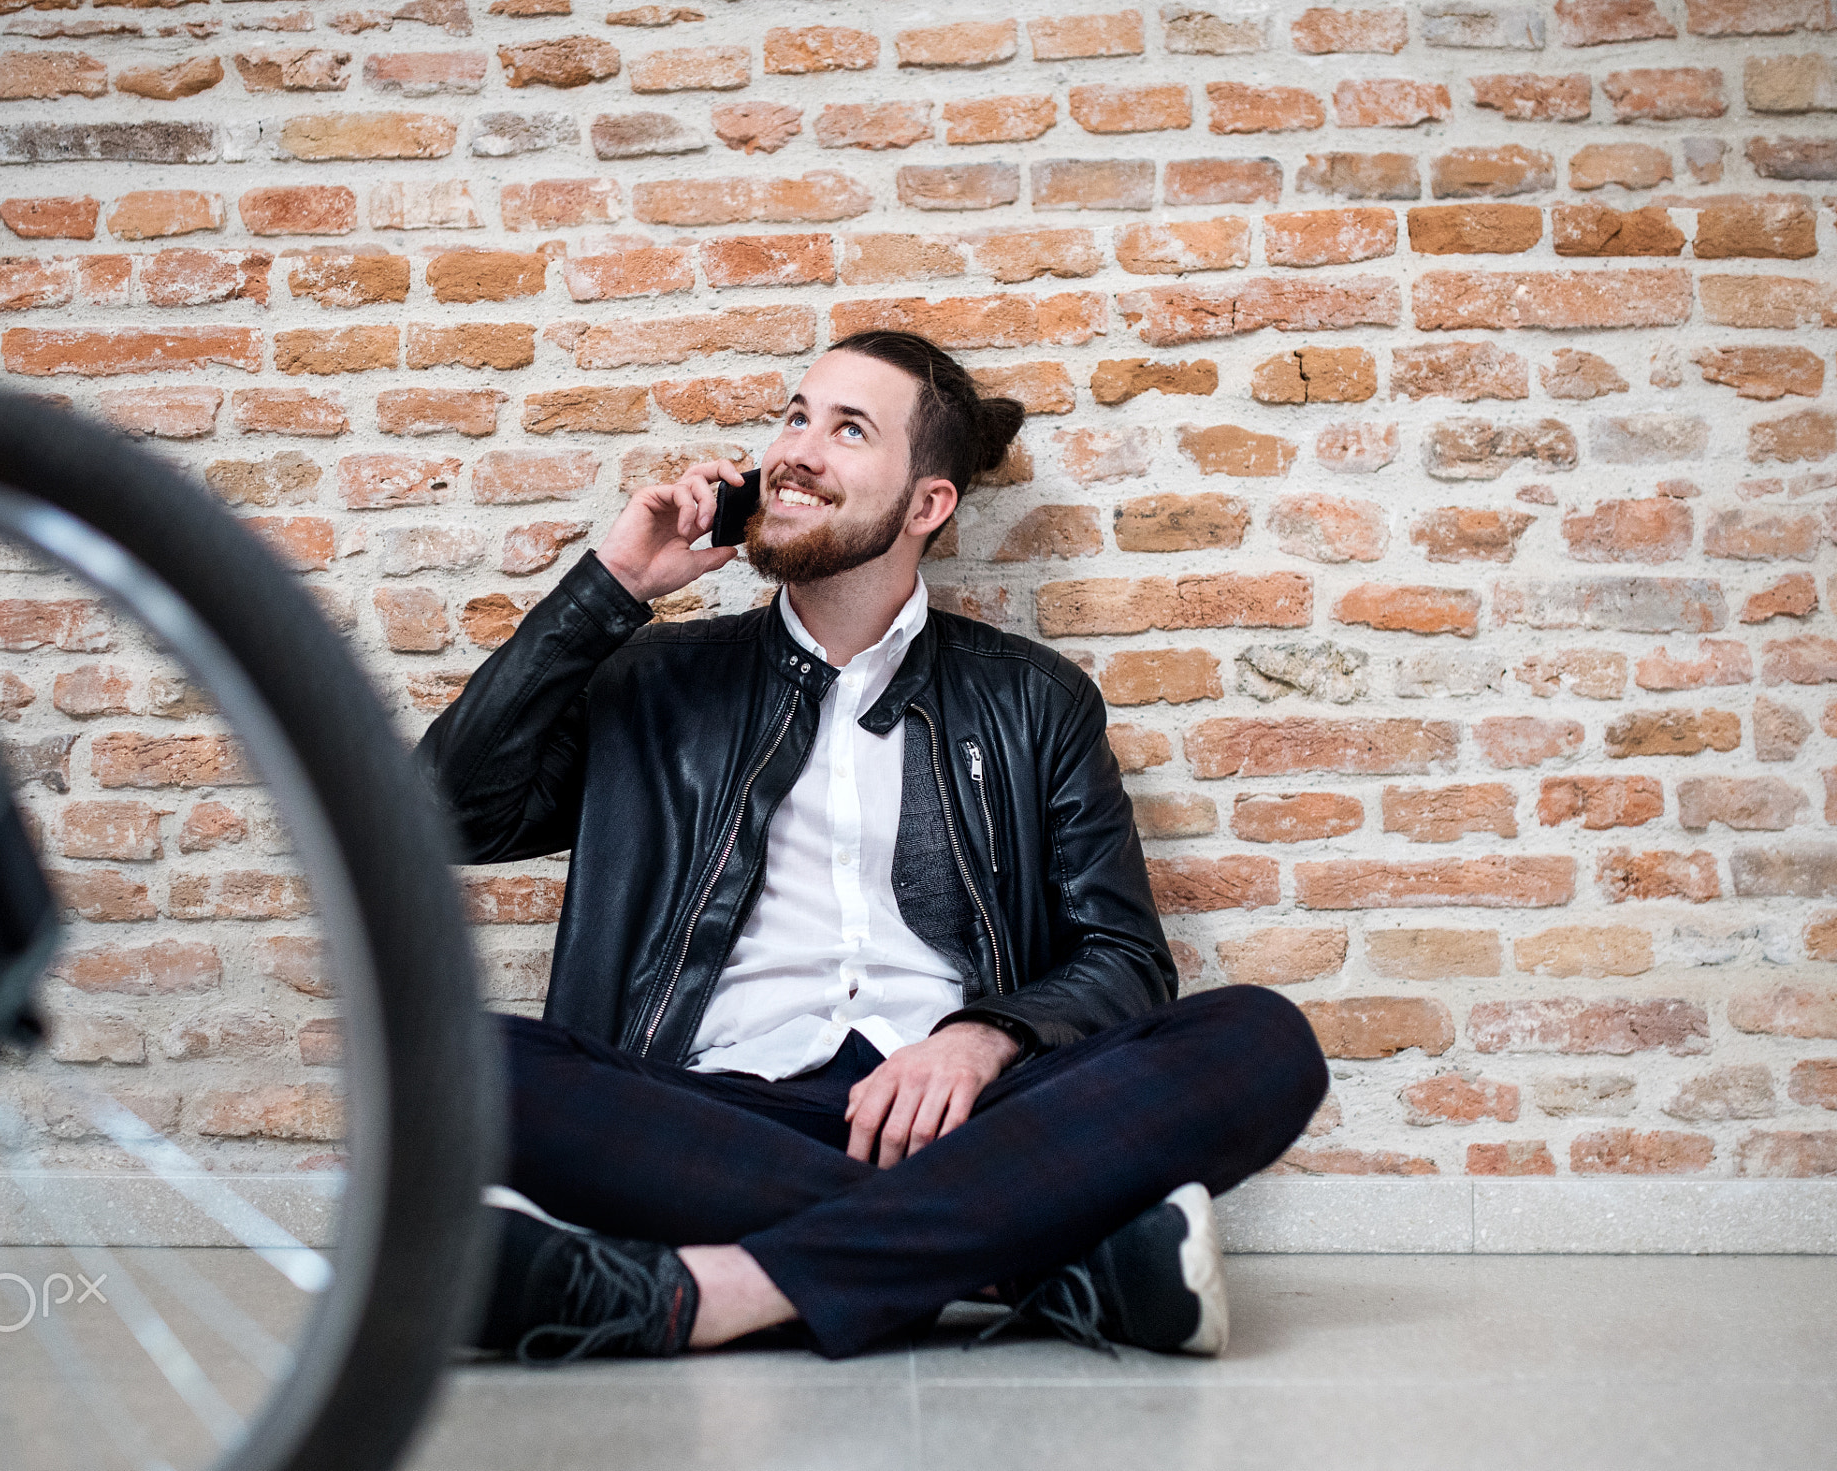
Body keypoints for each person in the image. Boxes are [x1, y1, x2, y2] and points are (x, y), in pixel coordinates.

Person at [417, 330, 1329, 1365]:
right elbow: (449, 811)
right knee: (447, 1061)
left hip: (971, 1126)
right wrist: (614, 584)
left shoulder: (1033, 700)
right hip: (710, 1117)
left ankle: (722, 1287)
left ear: (928, 503)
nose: (796, 450)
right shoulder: (655, 680)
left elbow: (1122, 961)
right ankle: (1039, 1266)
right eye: (795, 416)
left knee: (1259, 1038)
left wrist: (980, 1036)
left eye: (848, 429)